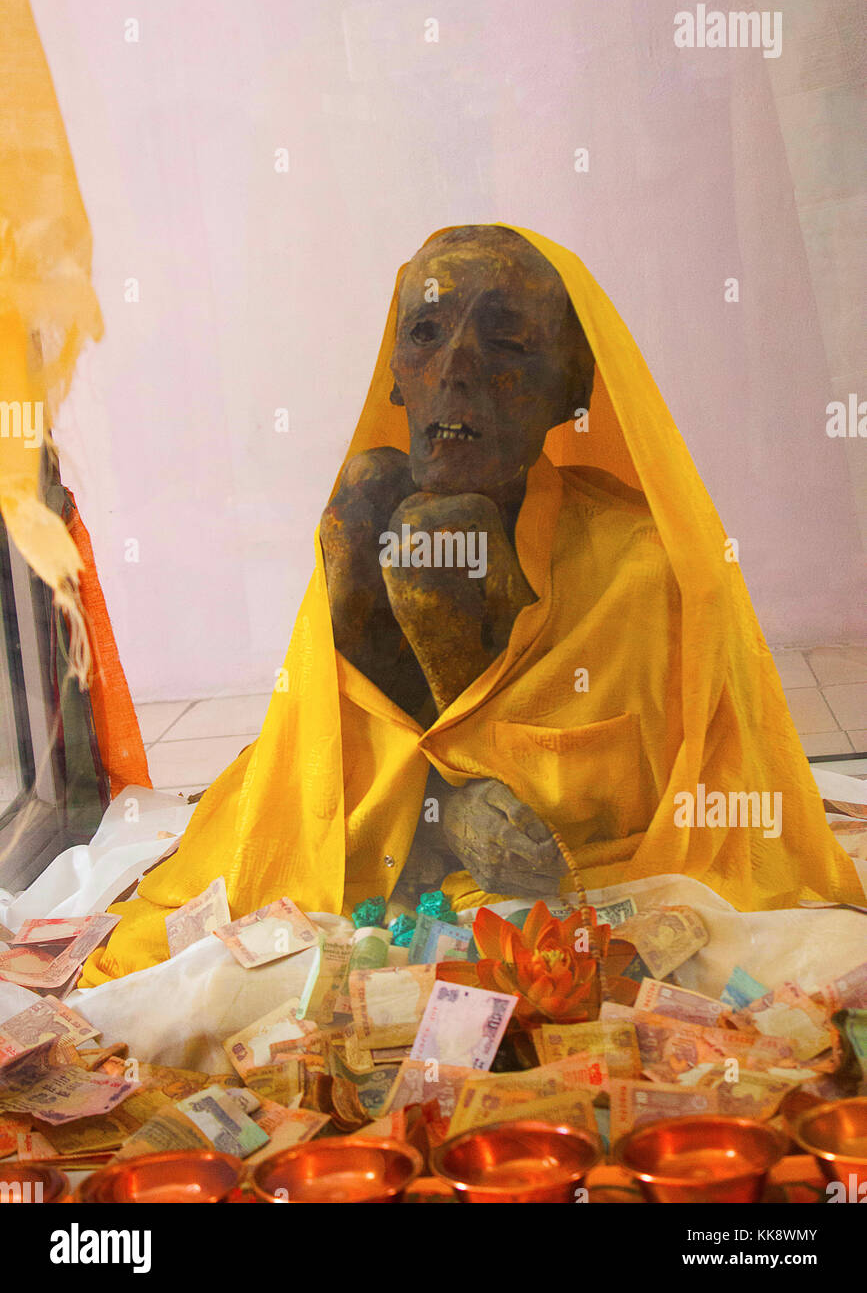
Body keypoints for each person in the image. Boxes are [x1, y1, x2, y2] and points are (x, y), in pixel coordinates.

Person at [81, 224, 863, 987]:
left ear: (573, 386)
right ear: (393, 375)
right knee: (388, 515)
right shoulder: (362, 525)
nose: (455, 368)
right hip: (411, 862)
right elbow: (326, 755)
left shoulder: (641, 565)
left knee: (436, 535)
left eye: (507, 343)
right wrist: (446, 808)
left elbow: (664, 796)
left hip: (546, 889)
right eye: (425, 333)